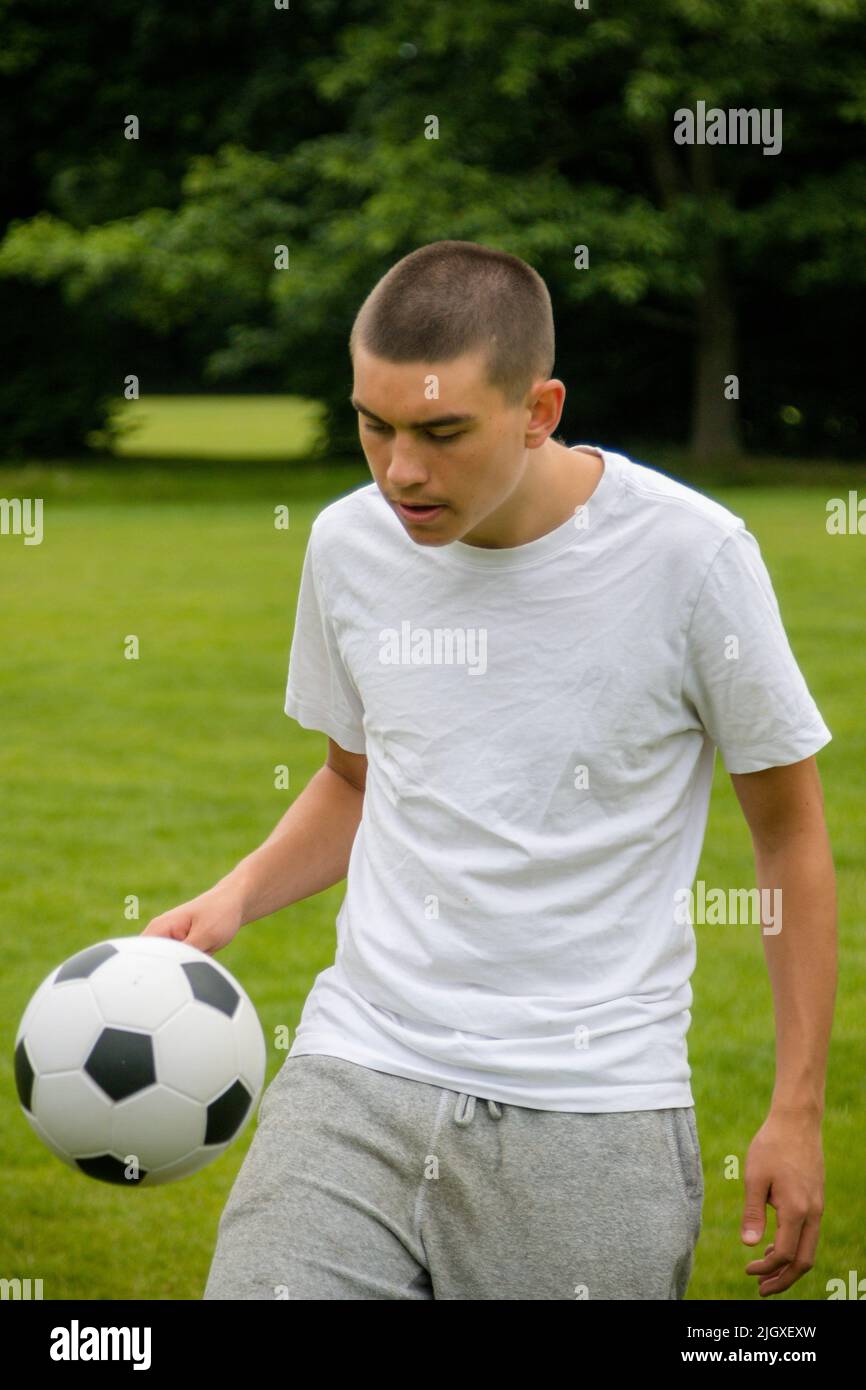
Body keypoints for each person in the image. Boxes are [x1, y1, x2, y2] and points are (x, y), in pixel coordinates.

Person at [143, 240, 836, 1301]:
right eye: (372, 425)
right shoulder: (346, 546)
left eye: (439, 432)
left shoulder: (691, 559)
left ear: (539, 408)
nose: (399, 470)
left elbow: (787, 836)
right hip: (357, 1068)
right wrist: (235, 896)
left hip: (590, 1116)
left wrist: (793, 1106)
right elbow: (355, 780)